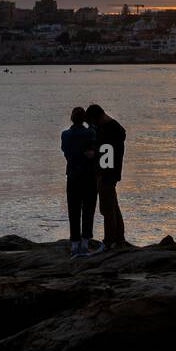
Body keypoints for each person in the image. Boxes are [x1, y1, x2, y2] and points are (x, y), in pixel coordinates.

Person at [60, 106, 101, 257]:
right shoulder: (90, 132)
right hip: (89, 176)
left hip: (72, 175)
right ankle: (85, 242)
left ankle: (74, 243)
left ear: (71, 118)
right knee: (88, 208)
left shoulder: (65, 135)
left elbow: (65, 152)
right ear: (84, 119)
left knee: (74, 209)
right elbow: (96, 143)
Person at [85, 103, 127, 248]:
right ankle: (119, 239)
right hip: (110, 173)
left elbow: (107, 153)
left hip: (106, 174)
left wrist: (93, 154)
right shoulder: (112, 128)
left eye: (92, 121)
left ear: (96, 117)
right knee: (113, 206)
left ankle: (109, 241)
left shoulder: (109, 130)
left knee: (106, 209)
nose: (92, 124)